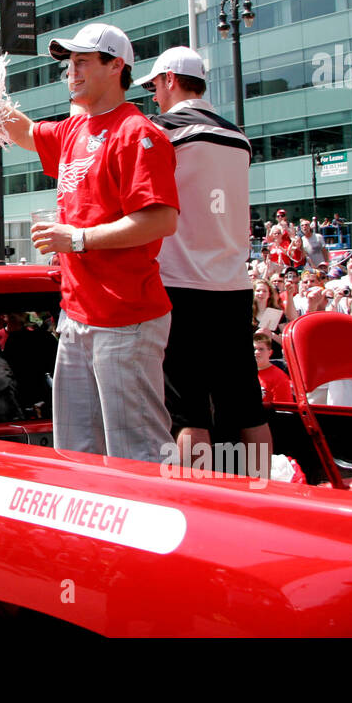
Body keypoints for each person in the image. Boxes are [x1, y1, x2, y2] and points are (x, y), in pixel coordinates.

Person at [0, 22, 179, 462]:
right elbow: (23, 131)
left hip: (126, 317)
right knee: (77, 450)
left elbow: (160, 219)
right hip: (77, 315)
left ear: (116, 65)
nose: (72, 71)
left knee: (137, 452)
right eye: (70, 63)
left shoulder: (138, 133)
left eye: (82, 61)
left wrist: (78, 238)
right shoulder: (73, 130)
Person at [146, 45, 272, 475]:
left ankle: (195, 496)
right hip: (233, 285)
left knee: (188, 411)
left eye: (155, 86)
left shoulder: (162, 130)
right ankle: (265, 494)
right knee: (245, 406)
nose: (153, 96)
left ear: (169, 80)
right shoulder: (239, 137)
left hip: (182, 282)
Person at [254, 333, 295, 404]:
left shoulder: (279, 377)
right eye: (254, 349)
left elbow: (283, 410)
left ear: (270, 353)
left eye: (261, 349)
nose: (256, 352)